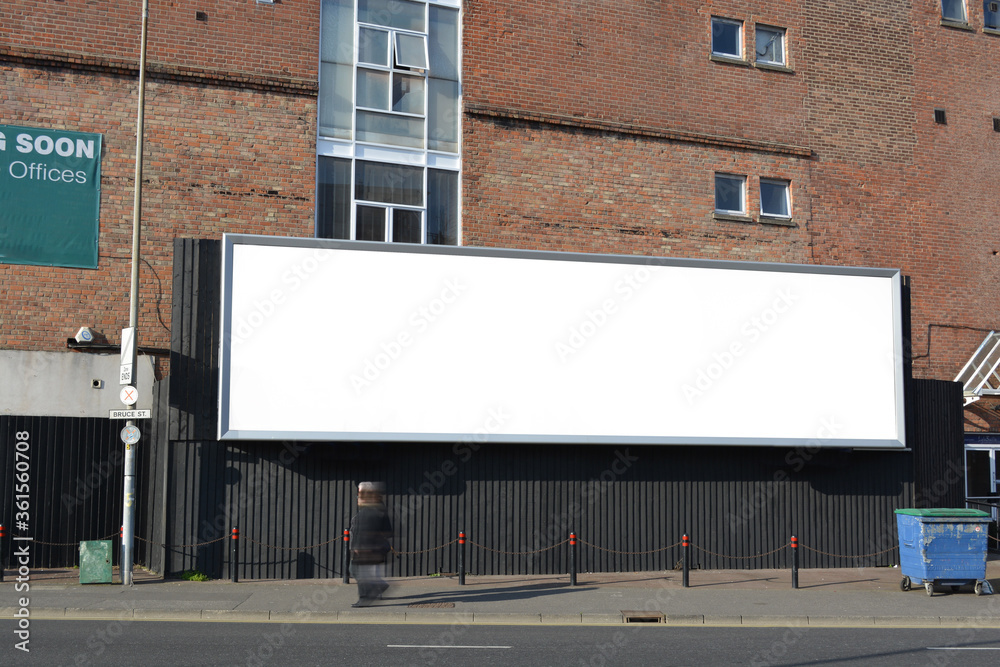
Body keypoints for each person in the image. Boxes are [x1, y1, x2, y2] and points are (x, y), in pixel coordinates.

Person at [349, 481, 392, 607]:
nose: (358, 497)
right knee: (359, 571)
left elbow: (364, 531)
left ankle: (365, 598)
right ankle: (379, 587)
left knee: (359, 572)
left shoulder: (371, 510)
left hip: (367, 548)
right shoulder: (377, 507)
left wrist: (358, 547)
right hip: (372, 547)